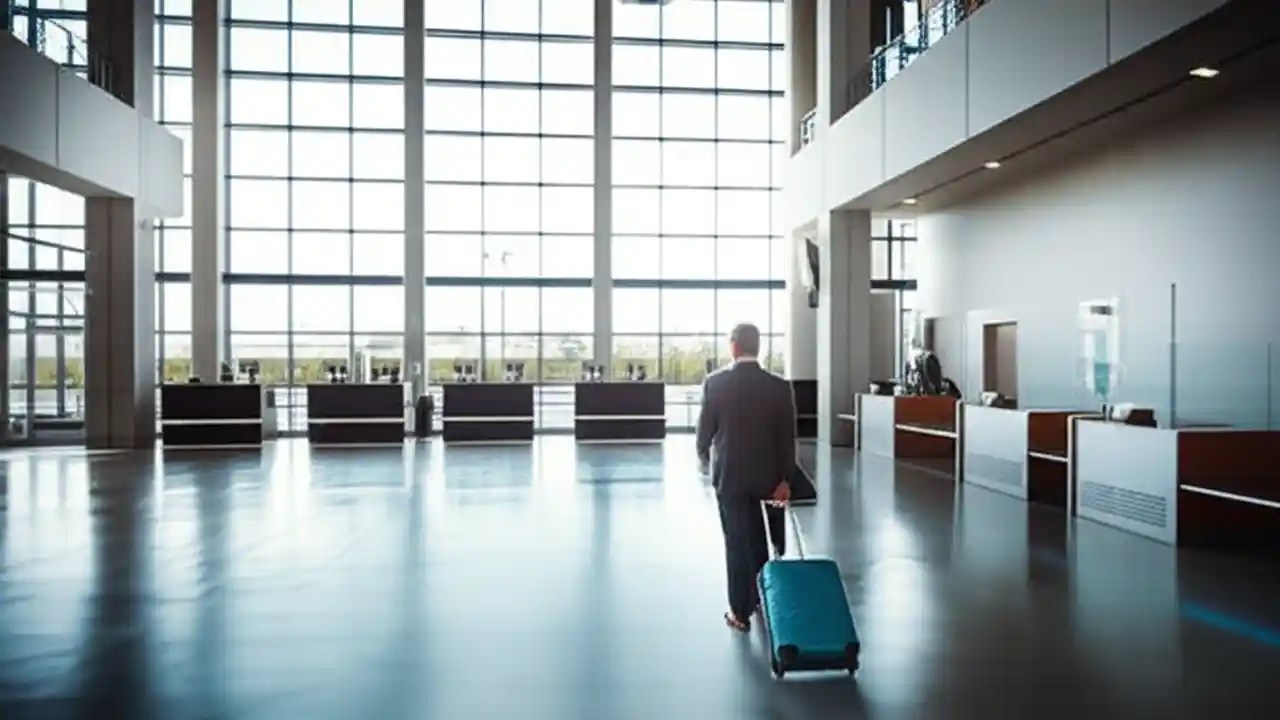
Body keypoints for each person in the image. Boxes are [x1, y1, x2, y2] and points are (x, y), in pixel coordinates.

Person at [696, 323, 797, 632]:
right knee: (763, 540)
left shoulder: (715, 383)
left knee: (737, 541)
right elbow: (787, 439)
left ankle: (740, 611)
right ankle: (765, 598)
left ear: (734, 347)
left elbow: (705, 433)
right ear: (757, 347)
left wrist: (703, 456)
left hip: (731, 477)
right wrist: (785, 481)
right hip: (769, 479)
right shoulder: (779, 386)